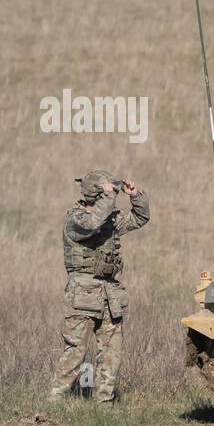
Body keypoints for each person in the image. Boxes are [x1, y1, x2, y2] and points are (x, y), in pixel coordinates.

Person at [49, 170, 151, 403]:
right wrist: (108, 197)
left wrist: (136, 197)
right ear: (96, 193)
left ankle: (103, 402)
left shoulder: (109, 219)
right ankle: (55, 400)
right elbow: (92, 223)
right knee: (75, 350)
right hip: (83, 293)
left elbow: (139, 219)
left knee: (111, 352)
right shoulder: (76, 219)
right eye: (107, 190)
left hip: (109, 293)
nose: (112, 193)